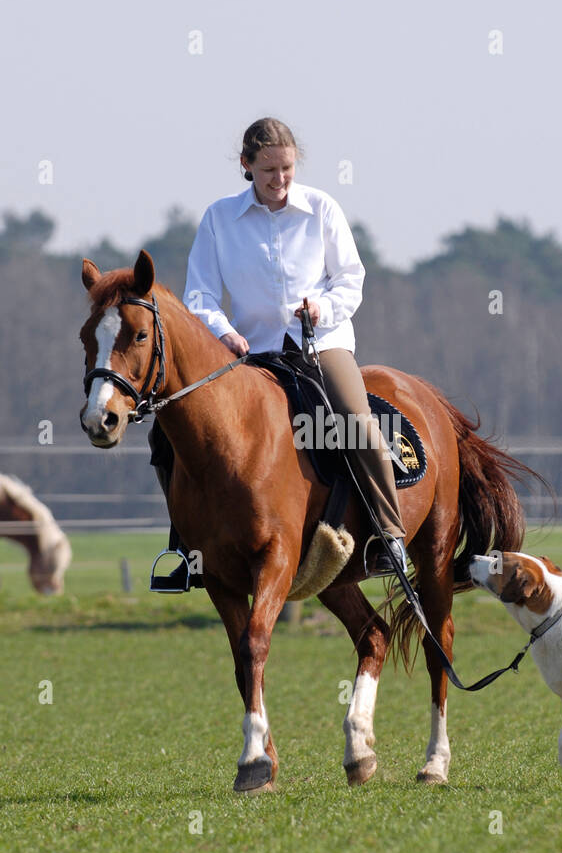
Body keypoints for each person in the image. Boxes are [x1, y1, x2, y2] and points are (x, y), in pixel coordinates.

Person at [149, 117, 407, 590]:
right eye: (268, 170)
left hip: (319, 344)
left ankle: (390, 535)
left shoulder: (323, 209)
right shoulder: (218, 218)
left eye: (287, 168)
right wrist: (223, 332)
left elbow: (351, 279)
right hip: (250, 353)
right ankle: (185, 549)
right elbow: (200, 295)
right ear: (247, 166)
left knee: (354, 418)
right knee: (167, 434)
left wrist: (321, 306)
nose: (280, 179)